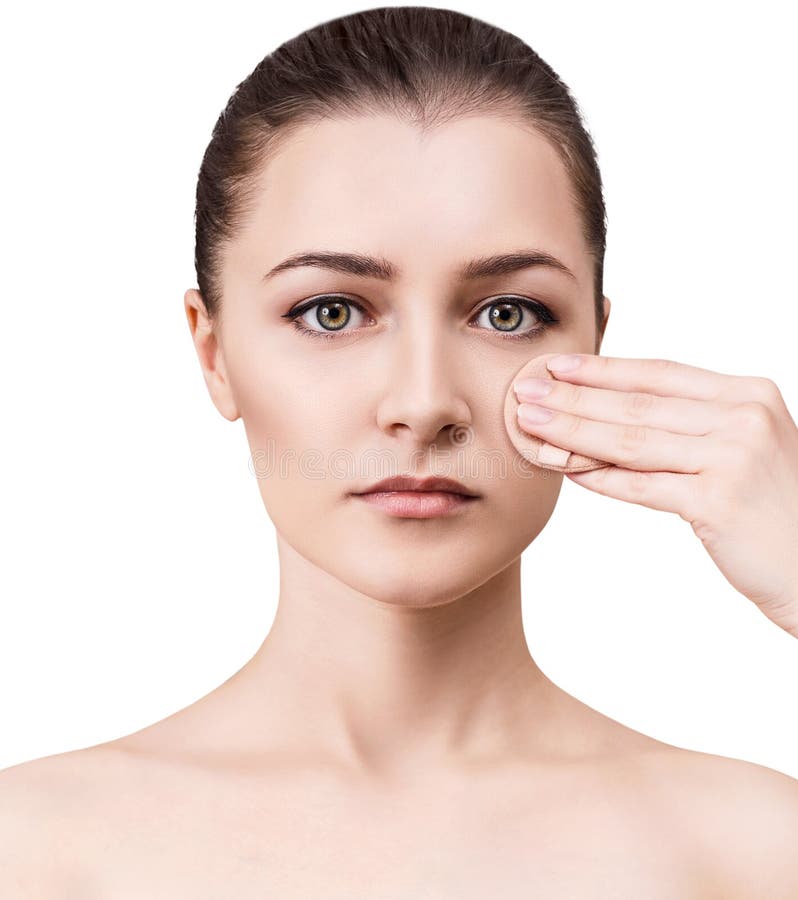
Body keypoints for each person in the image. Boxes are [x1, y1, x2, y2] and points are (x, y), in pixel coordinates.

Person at [3, 7, 798, 896]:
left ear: (595, 347)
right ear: (213, 352)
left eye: (509, 314)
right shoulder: (30, 850)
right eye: (331, 312)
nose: (424, 405)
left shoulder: (758, 850)